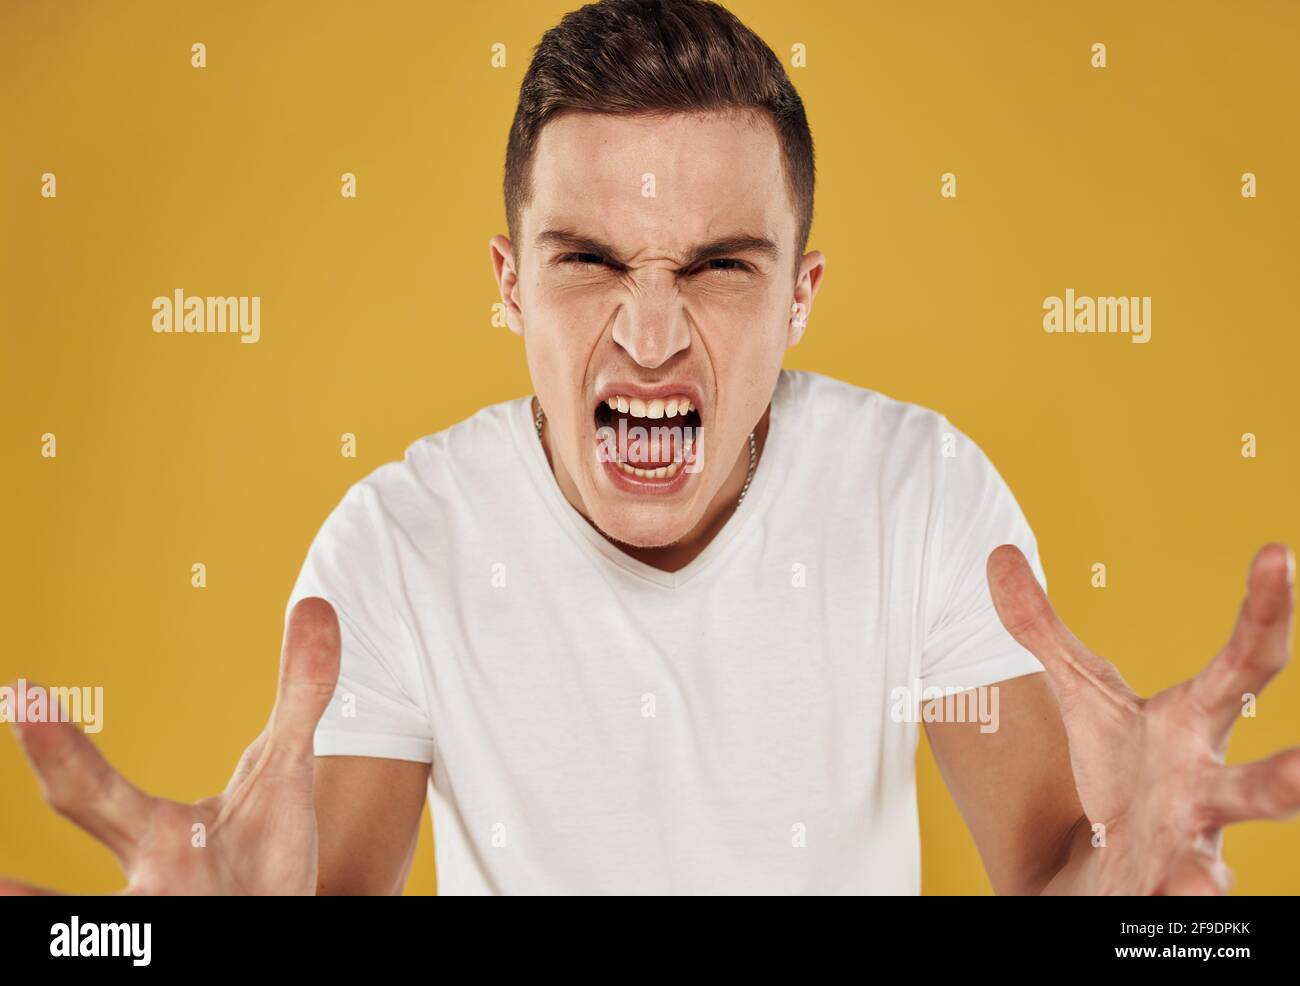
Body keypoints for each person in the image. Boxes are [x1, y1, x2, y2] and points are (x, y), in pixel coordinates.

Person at [5, 0, 1297, 896]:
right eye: (590, 261)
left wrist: (1144, 899)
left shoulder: (916, 493)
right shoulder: (398, 545)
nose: (651, 331)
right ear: (509, 284)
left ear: (801, 294)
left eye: (722, 265)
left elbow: (1067, 888)